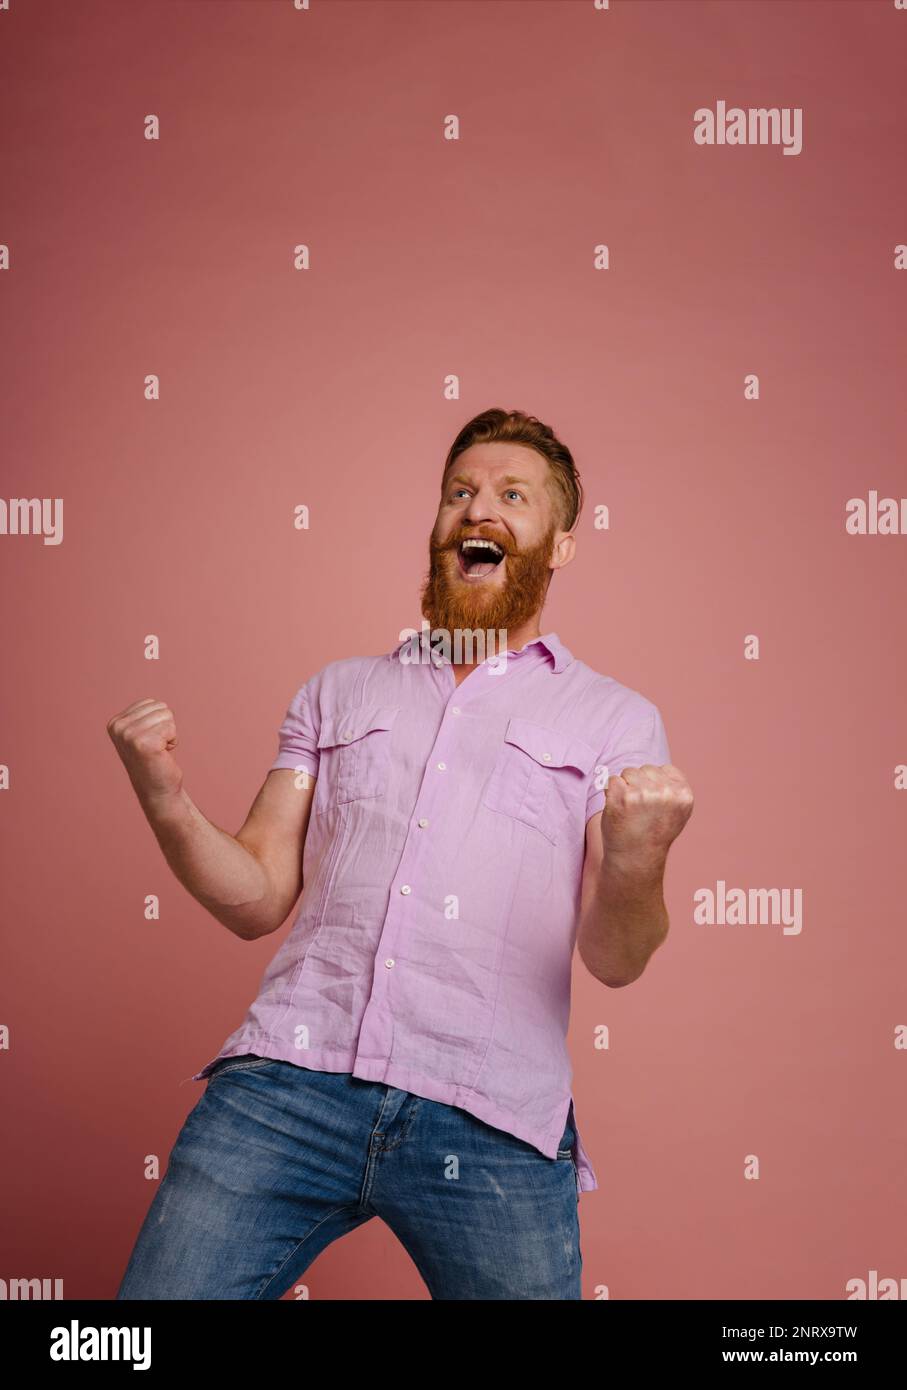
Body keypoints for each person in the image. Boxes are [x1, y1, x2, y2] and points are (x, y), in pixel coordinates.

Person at [109, 407, 694, 1300]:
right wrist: (163, 795)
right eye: (458, 492)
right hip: (289, 1088)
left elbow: (615, 959)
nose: (477, 509)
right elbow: (258, 895)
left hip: (489, 1112)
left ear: (560, 543)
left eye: (511, 495)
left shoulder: (614, 721)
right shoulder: (337, 692)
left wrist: (639, 856)